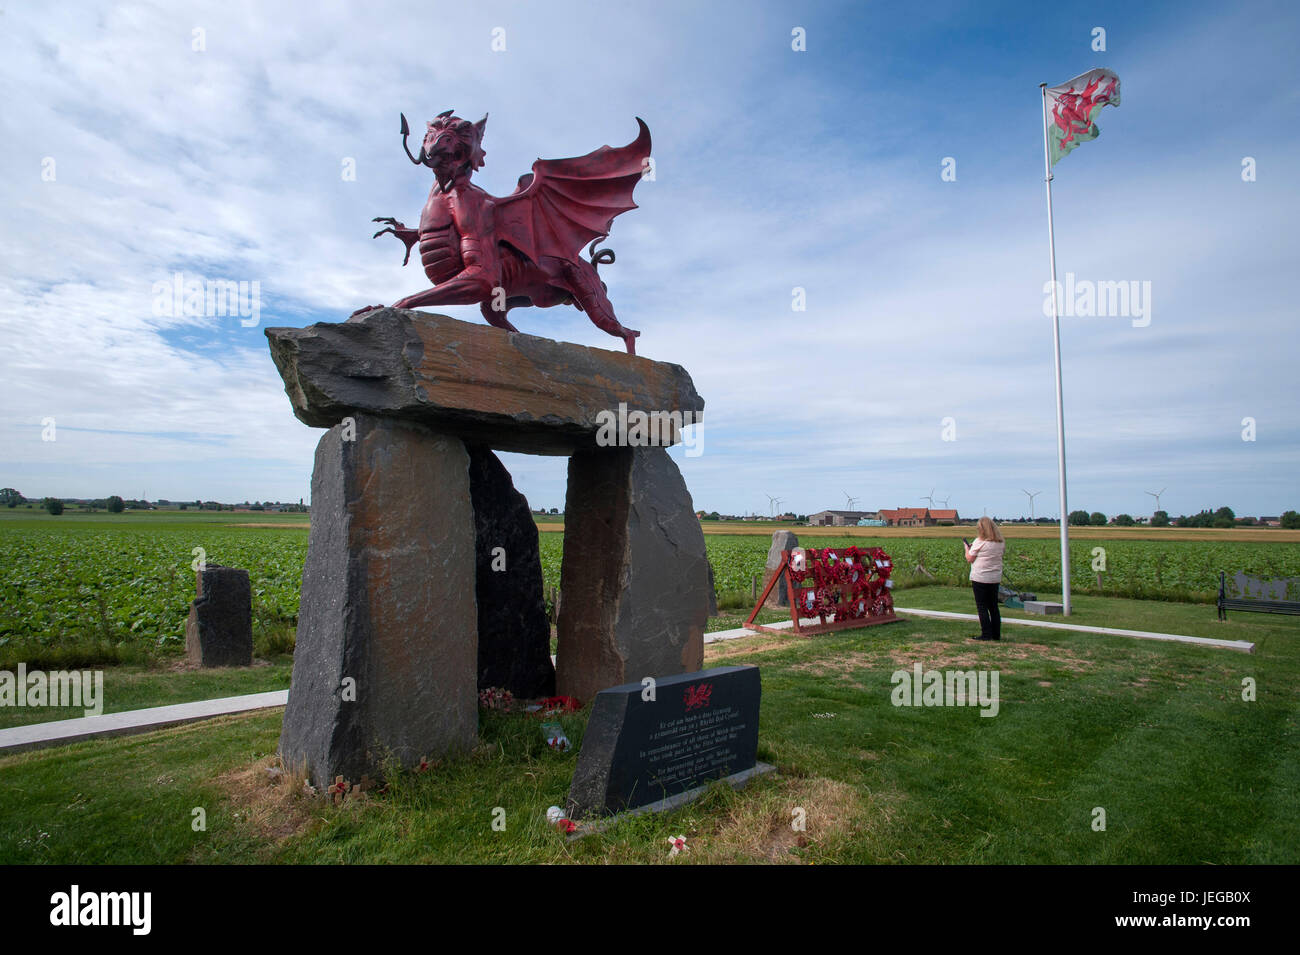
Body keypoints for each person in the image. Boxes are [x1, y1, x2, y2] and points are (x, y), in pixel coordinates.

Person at [963, 517, 1005, 641]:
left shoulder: (979, 541)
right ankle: (996, 634)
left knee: (981, 606)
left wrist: (967, 549)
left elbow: (970, 558)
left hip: (980, 577)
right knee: (993, 606)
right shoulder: (1000, 542)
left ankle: (986, 634)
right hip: (995, 577)